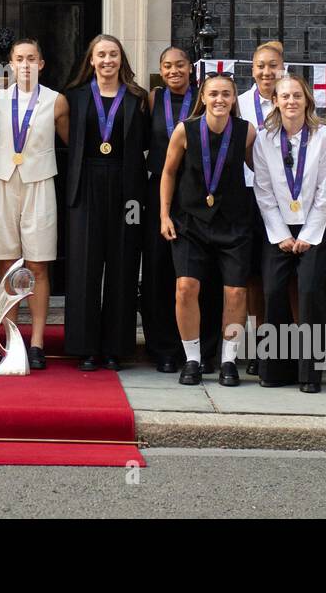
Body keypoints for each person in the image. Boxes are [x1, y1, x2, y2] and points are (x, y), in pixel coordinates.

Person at [159, 71, 256, 387]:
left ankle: (228, 359)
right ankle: (193, 359)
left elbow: (263, 169)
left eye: (226, 94)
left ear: (233, 99)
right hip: (191, 223)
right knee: (185, 287)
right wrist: (164, 215)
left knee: (236, 292)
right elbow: (169, 173)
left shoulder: (246, 132)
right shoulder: (184, 131)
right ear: (203, 97)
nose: (219, 99)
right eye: (213, 93)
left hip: (233, 223)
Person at [60, 34, 149, 371]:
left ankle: (116, 346)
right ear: (92, 61)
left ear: (121, 60)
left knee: (122, 265)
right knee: (85, 264)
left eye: (113, 54)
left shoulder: (138, 98)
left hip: (127, 188)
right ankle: (85, 346)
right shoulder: (77, 97)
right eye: (101, 55)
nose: (108, 60)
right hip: (86, 185)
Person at [0, 38, 67, 370]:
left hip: (39, 182)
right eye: (20, 58)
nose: (26, 63)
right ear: (11, 64)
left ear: (41, 63)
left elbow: (70, 142)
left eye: (32, 58)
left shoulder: (57, 101)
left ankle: (37, 341)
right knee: (6, 265)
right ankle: (12, 338)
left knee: (38, 264)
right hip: (2, 180)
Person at [252, 74, 326, 392]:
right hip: (278, 228)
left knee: (310, 291)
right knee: (273, 290)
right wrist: (280, 235)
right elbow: (263, 191)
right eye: (285, 96)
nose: (291, 102)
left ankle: (310, 373)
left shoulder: (324, 136)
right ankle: (275, 370)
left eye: (297, 96)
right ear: (275, 101)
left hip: (316, 225)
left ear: (307, 101)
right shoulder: (264, 139)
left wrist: (309, 234)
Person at [142, 47, 198, 374]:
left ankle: (189, 345)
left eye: (179, 64)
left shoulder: (203, 98)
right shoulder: (153, 99)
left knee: (189, 271)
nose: (173, 70)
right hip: (157, 192)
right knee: (158, 269)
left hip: (193, 192)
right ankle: (161, 347)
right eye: (167, 65)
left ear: (191, 67)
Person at [236, 40, 284, 376]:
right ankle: (257, 345)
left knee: (277, 276)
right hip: (248, 194)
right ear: (252, 70)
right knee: (253, 275)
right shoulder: (239, 104)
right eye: (260, 66)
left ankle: (283, 347)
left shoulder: (292, 99)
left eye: (272, 66)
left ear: (283, 68)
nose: (266, 72)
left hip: (284, 198)